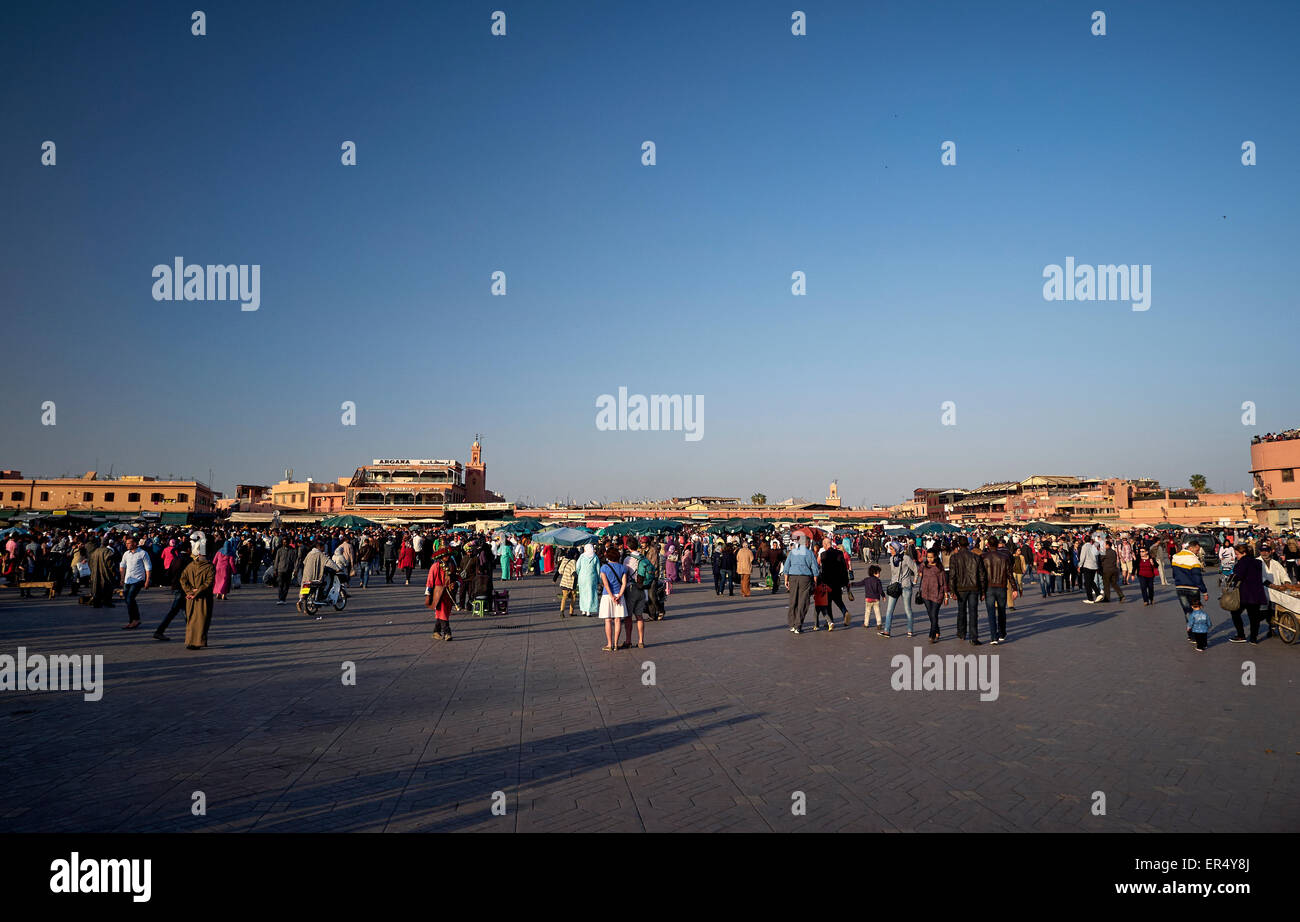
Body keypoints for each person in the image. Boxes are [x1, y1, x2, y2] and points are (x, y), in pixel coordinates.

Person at [948, 536, 986, 644]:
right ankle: (974, 637)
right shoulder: (976, 557)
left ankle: (961, 633)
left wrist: (952, 591)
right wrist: (983, 591)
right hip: (974, 588)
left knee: (961, 611)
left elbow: (952, 576)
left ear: (959, 545)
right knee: (973, 613)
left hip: (960, 589)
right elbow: (981, 575)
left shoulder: (954, 557)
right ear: (968, 544)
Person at [1227, 543, 1268, 644]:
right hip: (1256, 593)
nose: (1237, 556)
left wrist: (1230, 578)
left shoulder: (1242, 563)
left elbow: (1238, 576)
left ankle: (1241, 635)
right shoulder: (1257, 562)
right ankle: (1254, 638)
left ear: (1244, 553)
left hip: (1245, 594)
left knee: (1235, 613)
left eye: (1237, 554)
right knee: (1254, 617)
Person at [179, 548, 216, 650]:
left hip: (190, 598)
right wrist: (196, 592)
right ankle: (198, 642)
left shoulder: (190, 566)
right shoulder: (210, 567)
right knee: (202, 620)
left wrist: (189, 591)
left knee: (191, 619)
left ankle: (190, 641)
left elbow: (182, 578)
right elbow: (208, 583)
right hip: (203, 598)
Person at [1172, 541, 1210, 640]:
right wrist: (1204, 592)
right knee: (1195, 611)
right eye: (1197, 550)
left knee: (1187, 612)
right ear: (1191, 548)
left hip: (1180, 587)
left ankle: (1191, 635)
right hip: (1192, 588)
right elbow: (1198, 579)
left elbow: (1174, 575)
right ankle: (1196, 634)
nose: (1197, 552)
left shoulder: (1176, 557)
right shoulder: (1194, 560)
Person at [981, 537, 1014, 645]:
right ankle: (1002, 633)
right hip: (1001, 586)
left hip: (989, 587)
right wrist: (1014, 587)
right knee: (1001, 611)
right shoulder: (1004, 557)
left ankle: (993, 637)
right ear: (998, 544)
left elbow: (981, 575)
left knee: (991, 613)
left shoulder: (983, 557)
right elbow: (1009, 573)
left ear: (988, 545)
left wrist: (981, 591)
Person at [783, 535, 819, 634]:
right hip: (805, 578)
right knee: (803, 601)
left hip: (793, 577)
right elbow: (815, 569)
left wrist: (786, 580)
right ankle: (798, 625)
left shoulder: (792, 552)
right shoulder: (810, 553)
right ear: (807, 543)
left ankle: (792, 624)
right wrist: (815, 581)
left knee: (793, 600)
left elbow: (786, 567)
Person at [118, 535, 152, 630]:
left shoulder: (142, 553)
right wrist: (121, 578)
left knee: (130, 598)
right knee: (128, 600)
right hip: (127, 580)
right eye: (126, 543)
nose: (127, 545)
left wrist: (147, 580)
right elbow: (122, 566)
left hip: (138, 580)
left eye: (129, 543)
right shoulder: (126, 554)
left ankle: (136, 620)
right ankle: (132, 621)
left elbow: (148, 567)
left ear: (134, 543)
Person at [598, 548, 629, 651]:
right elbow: (624, 583)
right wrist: (619, 595)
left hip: (607, 596)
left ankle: (609, 644)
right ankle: (616, 643)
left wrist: (611, 596)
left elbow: (605, 584)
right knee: (617, 620)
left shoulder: (604, 568)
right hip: (619, 595)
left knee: (608, 620)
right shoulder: (623, 568)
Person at [883, 547, 919, 637]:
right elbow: (893, 574)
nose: (890, 551)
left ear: (897, 549)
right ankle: (887, 631)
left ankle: (910, 631)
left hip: (906, 586)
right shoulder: (891, 559)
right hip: (894, 586)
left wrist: (914, 581)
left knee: (907, 609)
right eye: (890, 549)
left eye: (892, 549)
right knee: (889, 610)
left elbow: (916, 569)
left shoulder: (906, 558)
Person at [918, 548, 950, 644]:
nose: (929, 559)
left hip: (937, 594)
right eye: (928, 557)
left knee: (934, 614)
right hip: (925, 594)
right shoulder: (924, 565)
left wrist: (946, 596)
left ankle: (932, 635)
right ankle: (937, 630)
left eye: (931, 557)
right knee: (931, 614)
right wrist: (921, 569)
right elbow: (919, 573)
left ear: (935, 556)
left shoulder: (939, 568)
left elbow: (944, 583)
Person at [817, 537, 850, 628]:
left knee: (828, 602)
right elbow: (844, 568)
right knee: (838, 599)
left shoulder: (824, 554)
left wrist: (821, 581)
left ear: (825, 545)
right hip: (838, 581)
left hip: (828, 581)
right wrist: (846, 581)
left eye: (823, 544)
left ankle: (830, 621)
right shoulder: (839, 553)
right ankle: (845, 612)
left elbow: (823, 570)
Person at [425, 550, 454, 641]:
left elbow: (456, 577)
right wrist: (428, 591)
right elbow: (430, 579)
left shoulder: (452, 564)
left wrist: (456, 583)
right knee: (442, 612)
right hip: (438, 592)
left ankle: (436, 631)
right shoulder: (435, 566)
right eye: (445, 555)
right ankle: (447, 633)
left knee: (442, 613)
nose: (447, 557)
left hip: (448, 592)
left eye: (448, 555)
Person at [577, 543, 601, 618]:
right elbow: (598, 569)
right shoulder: (595, 557)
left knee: (583, 593)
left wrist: (579, 574)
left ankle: (583, 610)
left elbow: (578, 567)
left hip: (582, 577)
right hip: (591, 577)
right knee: (591, 593)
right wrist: (599, 579)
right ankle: (588, 611)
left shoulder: (582, 556)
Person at [860, 564, 885, 633]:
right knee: (877, 611)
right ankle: (879, 624)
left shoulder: (866, 580)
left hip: (868, 599)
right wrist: (883, 596)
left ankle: (866, 623)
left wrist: (852, 584)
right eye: (878, 573)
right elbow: (880, 590)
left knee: (867, 612)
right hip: (876, 599)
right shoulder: (878, 581)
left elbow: (860, 583)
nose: (879, 574)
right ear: (874, 573)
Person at [273, 538, 297, 605]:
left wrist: (295, 570)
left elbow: (295, 561)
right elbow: (276, 561)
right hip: (280, 570)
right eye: (283, 542)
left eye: (286, 542)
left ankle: (283, 598)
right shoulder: (279, 550)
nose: (284, 543)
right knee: (280, 585)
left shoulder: (293, 551)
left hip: (289, 570)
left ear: (288, 542)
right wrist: (275, 570)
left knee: (286, 586)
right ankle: (280, 599)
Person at [557, 548, 579, 616]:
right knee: (573, 597)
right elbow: (573, 573)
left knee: (564, 597)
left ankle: (562, 611)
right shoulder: (573, 561)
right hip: (571, 583)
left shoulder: (564, 560)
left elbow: (560, 571)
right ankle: (571, 612)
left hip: (564, 581)